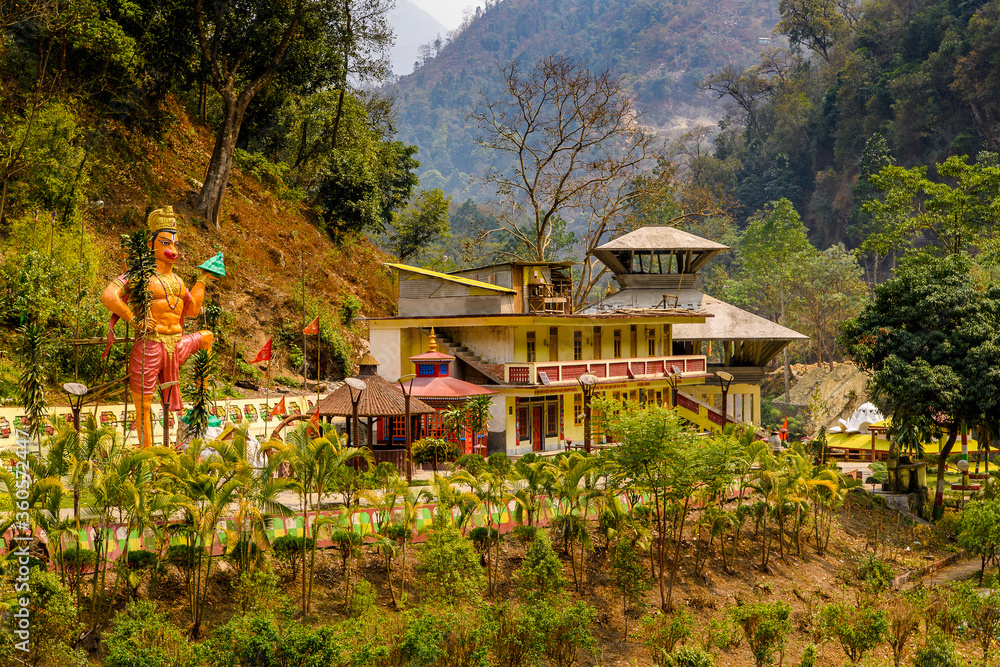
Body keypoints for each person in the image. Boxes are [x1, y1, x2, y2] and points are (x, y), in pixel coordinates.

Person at [100, 206, 216, 447]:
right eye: (166, 243)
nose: (172, 250)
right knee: (144, 405)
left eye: (175, 244)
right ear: (152, 244)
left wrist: (202, 280)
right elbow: (109, 295)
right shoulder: (140, 275)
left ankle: (202, 407)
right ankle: (147, 453)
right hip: (151, 344)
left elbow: (192, 311)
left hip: (177, 343)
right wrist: (134, 319)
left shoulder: (177, 280)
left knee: (207, 337)